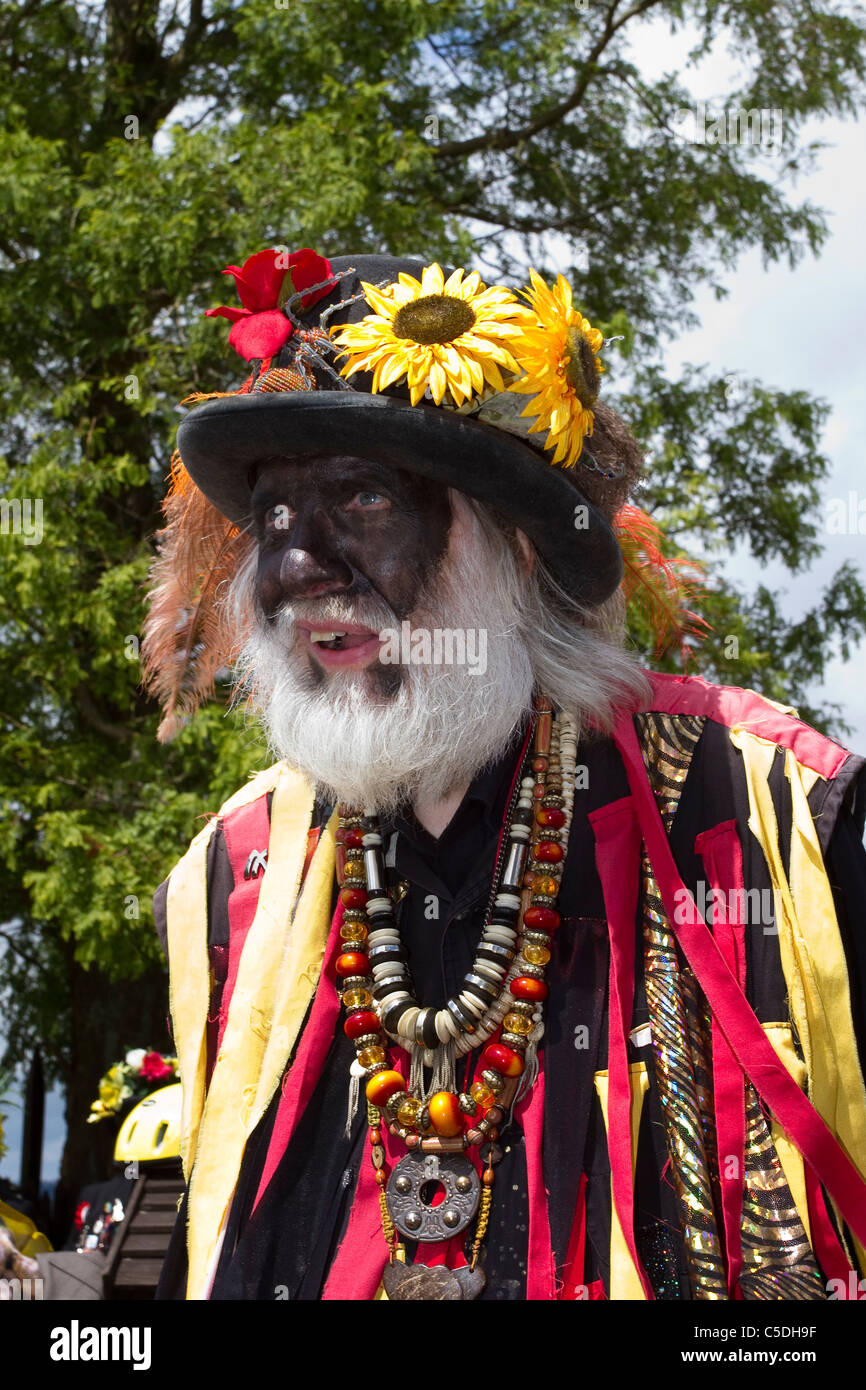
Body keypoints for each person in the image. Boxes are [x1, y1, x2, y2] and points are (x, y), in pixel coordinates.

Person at [143, 248, 866, 1301]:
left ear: (512, 544)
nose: (296, 566)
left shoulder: (773, 816)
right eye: (273, 516)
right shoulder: (231, 879)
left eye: (361, 496)